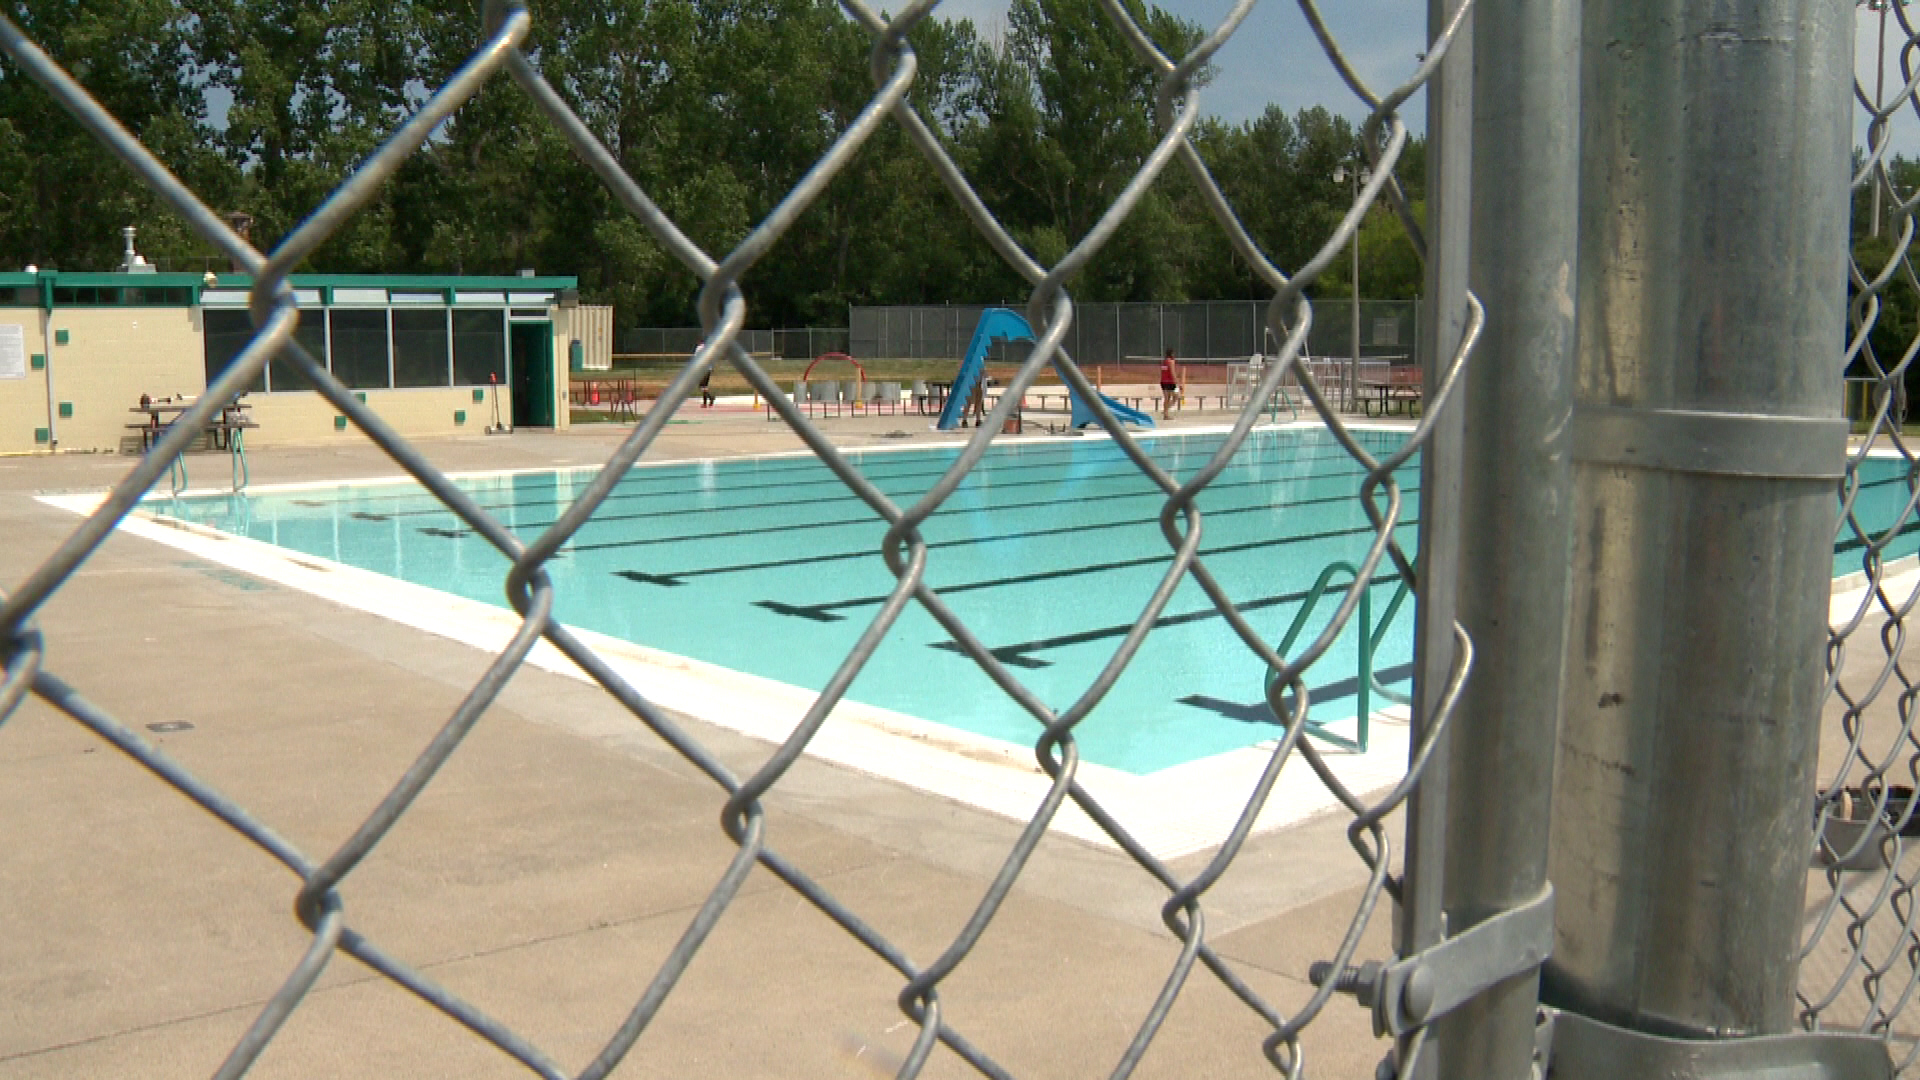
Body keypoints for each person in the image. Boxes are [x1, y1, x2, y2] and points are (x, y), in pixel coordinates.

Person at [1159, 349, 1178, 419]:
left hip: (1163, 382)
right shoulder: (1171, 361)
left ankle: (1165, 413)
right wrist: (1177, 382)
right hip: (1170, 382)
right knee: (1176, 396)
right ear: (1171, 354)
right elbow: (1172, 372)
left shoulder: (1164, 362)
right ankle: (1165, 411)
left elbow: (1162, 372)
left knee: (1166, 398)